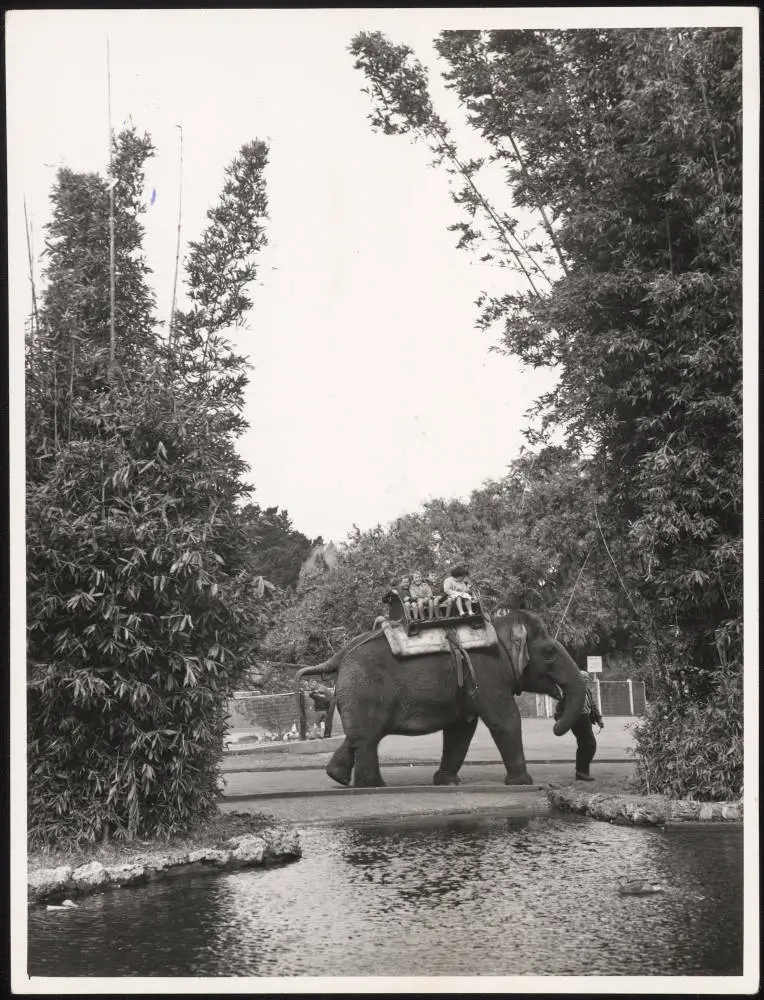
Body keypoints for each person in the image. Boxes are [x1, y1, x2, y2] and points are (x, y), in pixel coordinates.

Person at [554, 671, 604, 781]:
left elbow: (593, 705)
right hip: (577, 720)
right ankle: (581, 771)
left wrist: (599, 719)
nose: (586, 679)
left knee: (584, 745)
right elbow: (560, 706)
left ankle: (581, 771)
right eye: (583, 678)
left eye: (587, 678)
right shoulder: (571, 691)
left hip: (586, 719)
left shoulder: (587, 691)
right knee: (590, 744)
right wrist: (559, 720)